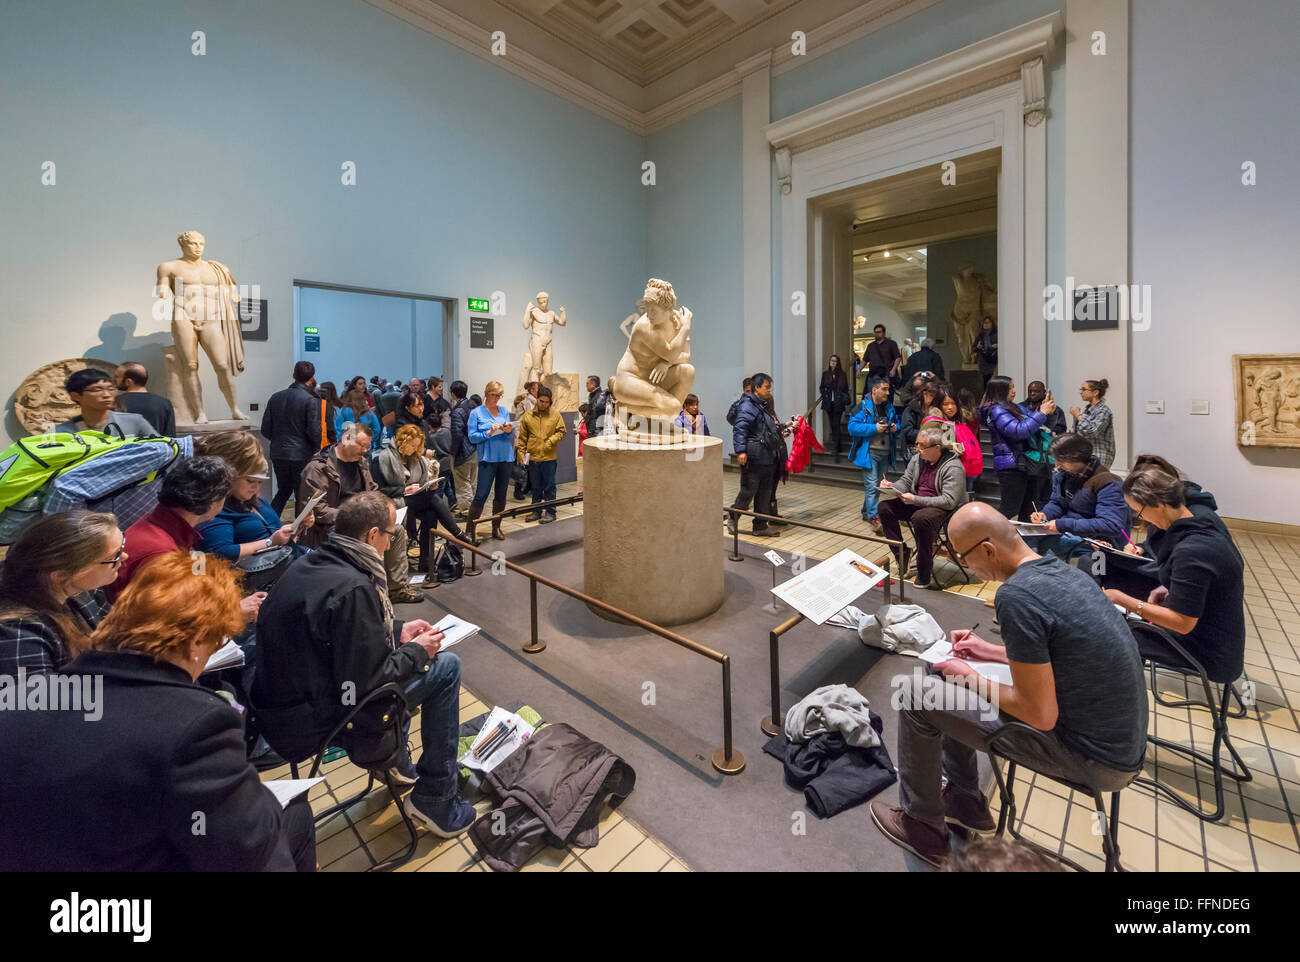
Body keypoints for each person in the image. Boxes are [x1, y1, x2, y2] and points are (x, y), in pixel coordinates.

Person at [0, 550, 317, 871]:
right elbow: (245, 846)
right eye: (216, 642)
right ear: (195, 642)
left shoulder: (25, 697)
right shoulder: (197, 724)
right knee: (295, 818)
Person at [869, 502, 1147, 868]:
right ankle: (966, 799)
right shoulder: (1066, 573)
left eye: (963, 557)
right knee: (941, 672)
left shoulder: (1016, 596)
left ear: (987, 550)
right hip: (1119, 743)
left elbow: (1039, 714)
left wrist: (971, 676)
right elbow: (1059, 656)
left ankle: (923, 828)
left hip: (1090, 757)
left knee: (914, 694)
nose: (965, 566)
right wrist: (990, 651)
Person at [255, 492, 476, 836]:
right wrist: (418, 651)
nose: (390, 544)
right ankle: (436, 797)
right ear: (372, 535)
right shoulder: (355, 586)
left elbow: (342, 640)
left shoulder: (313, 564)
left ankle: (400, 763)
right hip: (317, 720)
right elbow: (367, 680)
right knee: (446, 667)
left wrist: (400, 631)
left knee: (416, 660)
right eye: (390, 534)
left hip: (281, 710)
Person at [1104, 465, 1245, 686]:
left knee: (1112, 627)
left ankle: (1121, 693)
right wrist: (1169, 587)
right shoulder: (1202, 517)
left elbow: (1182, 624)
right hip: (1224, 640)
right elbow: (1209, 577)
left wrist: (1123, 600)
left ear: (1159, 505)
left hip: (1209, 654)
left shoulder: (1192, 550)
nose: (1142, 521)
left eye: (1139, 512)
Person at [298, 422, 421, 603]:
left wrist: (383, 509)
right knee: (371, 536)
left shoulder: (361, 463)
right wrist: (354, 516)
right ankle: (368, 592)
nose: (365, 450)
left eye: (368, 446)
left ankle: (396, 588)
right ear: (345, 439)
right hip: (333, 526)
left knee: (396, 531)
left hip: (362, 519)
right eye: (362, 445)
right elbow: (318, 510)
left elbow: (372, 490)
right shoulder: (318, 468)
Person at [0, 511, 120, 675]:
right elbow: (37, 698)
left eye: (123, 546)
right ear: (62, 575)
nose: (125, 557)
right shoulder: (17, 635)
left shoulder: (81, 592)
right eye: (115, 556)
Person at [195, 431, 313, 591]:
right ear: (226, 476)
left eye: (259, 481)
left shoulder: (250, 500)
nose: (256, 487)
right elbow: (218, 552)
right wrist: (270, 542)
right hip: (268, 581)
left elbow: (273, 533)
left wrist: (297, 527)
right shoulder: (214, 508)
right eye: (250, 480)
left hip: (287, 565)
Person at [110, 455, 235, 597]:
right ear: (213, 501)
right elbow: (169, 616)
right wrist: (236, 611)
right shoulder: (163, 555)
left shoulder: (155, 527)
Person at [877, 427, 966, 588]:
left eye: (922, 446)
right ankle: (902, 554)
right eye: (917, 445)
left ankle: (924, 570)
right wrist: (892, 486)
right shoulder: (917, 459)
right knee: (884, 507)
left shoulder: (953, 467)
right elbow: (906, 480)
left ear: (937, 448)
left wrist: (916, 499)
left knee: (921, 519)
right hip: (917, 501)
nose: (917, 449)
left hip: (942, 508)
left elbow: (949, 501)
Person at [373, 424, 473, 566]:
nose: (414, 449)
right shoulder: (384, 458)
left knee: (431, 514)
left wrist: (430, 485)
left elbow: (421, 481)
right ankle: (458, 534)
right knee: (432, 499)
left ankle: (425, 562)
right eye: (412, 445)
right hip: (394, 502)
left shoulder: (415, 458)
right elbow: (379, 492)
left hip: (415, 499)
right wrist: (404, 490)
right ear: (403, 442)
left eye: (417, 446)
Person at [1027, 434, 1128, 561]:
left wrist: (1063, 524)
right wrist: (1045, 515)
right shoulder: (1062, 474)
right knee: (1024, 539)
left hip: (1096, 540)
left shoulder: (1108, 482)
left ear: (1077, 458)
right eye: (1056, 459)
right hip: (1069, 530)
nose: (1057, 464)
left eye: (1061, 461)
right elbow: (1057, 502)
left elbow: (1111, 524)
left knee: (1038, 549)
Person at [979, 376, 1054, 522]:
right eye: (1011, 387)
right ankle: (989, 539)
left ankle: (1026, 543)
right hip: (1012, 465)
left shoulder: (1013, 407)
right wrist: (1042, 413)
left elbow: (1035, 423)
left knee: (1029, 508)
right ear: (1001, 390)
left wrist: (1046, 411)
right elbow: (1018, 431)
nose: (1014, 391)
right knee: (1010, 508)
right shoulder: (996, 410)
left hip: (1025, 462)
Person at [261, 360, 325, 517]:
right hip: (301, 454)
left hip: (278, 452)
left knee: (283, 491)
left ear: (293, 375)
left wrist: (278, 440)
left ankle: (269, 524)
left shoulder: (275, 397)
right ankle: (298, 533)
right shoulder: (310, 400)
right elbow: (314, 431)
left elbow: (265, 429)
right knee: (301, 495)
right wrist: (317, 448)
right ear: (312, 378)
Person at [729, 373, 783, 537]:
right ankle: (733, 516)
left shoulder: (762, 405)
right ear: (757, 388)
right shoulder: (747, 406)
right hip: (754, 456)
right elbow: (740, 428)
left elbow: (767, 427)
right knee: (748, 491)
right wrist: (741, 451)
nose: (769, 390)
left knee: (764, 493)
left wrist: (784, 427)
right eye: (766, 387)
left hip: (766, 455)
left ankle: (760, 527)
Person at [847, 377, 900, 530]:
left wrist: (896, 427)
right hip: (869, 453)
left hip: (885, 452)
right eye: (884, 389)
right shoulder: (863, 407)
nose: (887, 393)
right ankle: (874, 518)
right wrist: (874, 428)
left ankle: (866, 511)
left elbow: (898, 422)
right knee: (872, 486)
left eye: (888, 389)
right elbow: (852, 427)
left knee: (877, 486)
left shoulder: (889, 407)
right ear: (874, 389)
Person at [467, 380, 516, 542]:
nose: (496, 399)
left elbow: (510, 436)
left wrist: (508, 430)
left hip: (505, 457)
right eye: (494, 395)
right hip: (488, 459)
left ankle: (496, 527)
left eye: (499, 396)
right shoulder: (476, 413)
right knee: (481, 495)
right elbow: (472, 437)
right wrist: (488, 432)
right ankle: (469, 531)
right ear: (487, 393)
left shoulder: (503, 411)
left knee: (501, 495)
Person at [55, 368, 156, 437]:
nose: (107, 394)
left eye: (110, 389)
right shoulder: (62, 432)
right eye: (97, 389)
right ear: (76, 396)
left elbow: (163, 450)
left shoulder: (134, 421)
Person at [515, 386, 566, 523]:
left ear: (550, 402)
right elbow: (523, 437)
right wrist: (521, 453)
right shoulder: (528, 416)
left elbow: (561, 431)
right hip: (533, 457)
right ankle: (536, 511)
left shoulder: (555, 415)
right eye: (541, 401)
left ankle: (551, 512)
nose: (543, 404)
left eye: (546, 402)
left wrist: (550, 441)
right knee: (535, 487)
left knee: (549, 486)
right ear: (537, 399)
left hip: (549, 457)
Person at [936, 391, 983, 492]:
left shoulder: (958, 422)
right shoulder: (942, 423)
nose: (950, 407)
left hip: (962, 463)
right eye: (946, 404)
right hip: (950, 468)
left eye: (953, 404)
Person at [113, 361, 176, 436]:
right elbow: (170, 436)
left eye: (117, 377)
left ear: (128, 381)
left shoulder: (115, 403)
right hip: (156, 447)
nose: (114, 380)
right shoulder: (165, 403)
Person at [448, 380, 478, 519]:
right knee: (472, 482)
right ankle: (474, 510)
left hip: (463, 451)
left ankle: (466, 513)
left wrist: (453, 452)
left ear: (453, 394)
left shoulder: (458, 411)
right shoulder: (473, 405)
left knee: (462, 483)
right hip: (475, 449)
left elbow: (457, 433)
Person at [1070, 378, 1115, 470]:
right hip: (1086, 455)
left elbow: (1093, 431)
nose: (1080, 392)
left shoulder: (1103, 410)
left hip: (1099, 457)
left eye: (1084, 389)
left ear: (1095, 392)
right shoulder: (1087, 411)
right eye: (1080, 389)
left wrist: (1078, 415)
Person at [818, 355, 850, 458]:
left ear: (838, 363)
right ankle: (839, 445)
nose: (832, 362)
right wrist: (825, 394)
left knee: (836, 424)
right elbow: (822, 387)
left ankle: (835, 448)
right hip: (829, 403)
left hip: (838, 403)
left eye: (835, 361)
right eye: (831, 360)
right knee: (832, 425)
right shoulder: (825, 374)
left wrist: (834, 382)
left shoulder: (842, 375)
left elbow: (844, 388)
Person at [335, 386, 383, 455]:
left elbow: (337, 427)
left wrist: (341, 440)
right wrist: (370, 440)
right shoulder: (369, 413)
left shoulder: (343, 411)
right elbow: (377, 429)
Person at [863, 324, 902, 400]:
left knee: (886, 396)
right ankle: (873, 411)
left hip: (885, 374)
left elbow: (897, 358)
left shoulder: (891, 344)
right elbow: (865, 359)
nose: (876, 334)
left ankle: (886, 411)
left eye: (879, 332)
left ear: (884, 333)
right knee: (871, 396)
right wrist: (859, 370)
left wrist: (893, 370)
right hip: (873, 374)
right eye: (875, 332)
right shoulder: (871, 346)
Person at [974, 316, 998, 387]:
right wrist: (978, 347)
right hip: (983, 361)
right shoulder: (980, 336)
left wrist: (998, 345)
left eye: (988, 322)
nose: (986, 324)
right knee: (984, 383)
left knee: (993, 383)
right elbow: (974, 349)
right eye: (985, 323)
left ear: (992, 324)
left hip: (993, 361)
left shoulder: (996, 335)